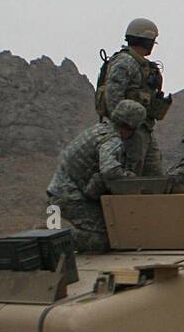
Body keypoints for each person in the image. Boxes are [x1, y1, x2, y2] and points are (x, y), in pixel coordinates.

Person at [47, 100, 147, 252]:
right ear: (131, 128)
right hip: (71, 196)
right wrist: (127, 177)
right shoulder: (112, 140)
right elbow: (110, 171)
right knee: (108, 238)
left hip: (64, 192)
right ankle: (54, 240)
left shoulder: (99, 130)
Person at [94, 17, 170, 176]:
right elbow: (113, 97)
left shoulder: (143, 65)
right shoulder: (125, 63)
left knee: (154, 175)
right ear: (147, 40)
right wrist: (124, 128)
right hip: (130, 130)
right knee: (131, 175)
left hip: (143, 128)